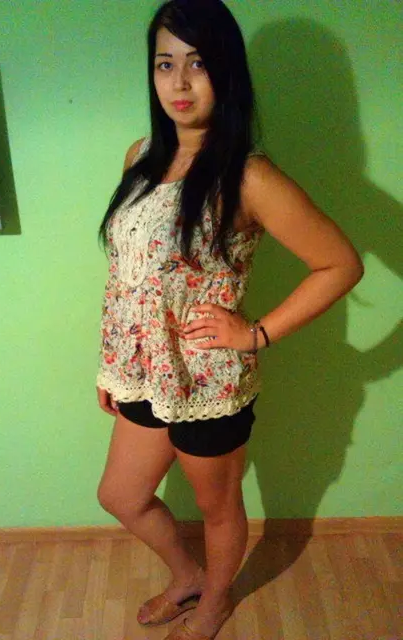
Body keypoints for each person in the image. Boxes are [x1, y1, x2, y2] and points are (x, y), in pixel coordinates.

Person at [95, 1, 364, 638]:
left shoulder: (249, 175)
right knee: (120, 496)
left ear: (228, 73)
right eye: (165, 64)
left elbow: (340, 264)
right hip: (144, 373)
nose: (180, 82)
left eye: (199, 64)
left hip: (209, 380)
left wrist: (255, 333)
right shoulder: (139, 157)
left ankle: (216, 599)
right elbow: (127, 278)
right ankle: (189, 576)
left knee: (218, 507)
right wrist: (112, 366)